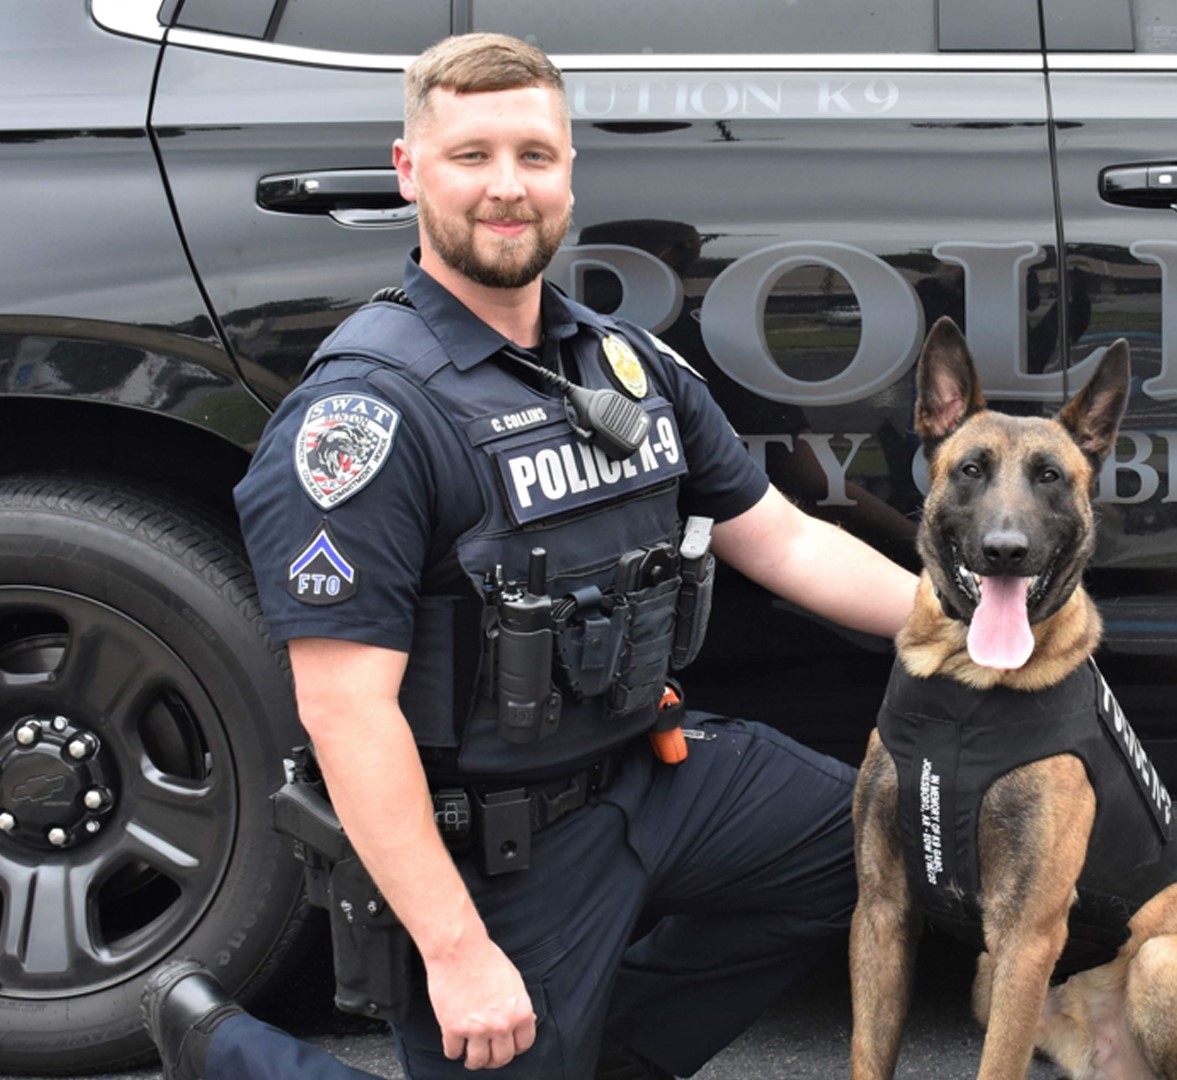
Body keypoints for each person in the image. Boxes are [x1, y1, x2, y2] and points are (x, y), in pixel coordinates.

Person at [144, 31, 916, 1080]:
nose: (507, 187)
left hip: (652, 774)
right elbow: (344, 712)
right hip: (499, 849)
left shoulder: (623, 364)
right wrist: (456, 949)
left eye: (534, 156)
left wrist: (974, 628)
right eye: (472, 156)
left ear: (568, 173)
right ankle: (232, 1054)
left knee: (873, 842)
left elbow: (778, 538)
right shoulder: (366, 416)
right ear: (409, 170)